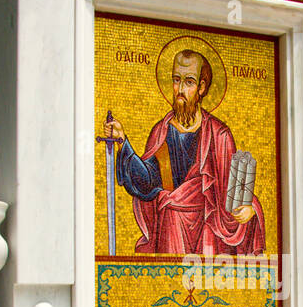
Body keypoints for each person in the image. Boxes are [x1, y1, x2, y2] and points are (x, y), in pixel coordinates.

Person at [103, 49, 266, 256]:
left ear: (202, 87)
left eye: (189, 82)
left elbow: (230, 193)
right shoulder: (161, 132)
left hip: (208, 229)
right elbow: (148, 182)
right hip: (171, 227)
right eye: (176, 80)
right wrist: (122, 141)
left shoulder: (219, 135)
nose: (180, 89)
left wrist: (249, 207)